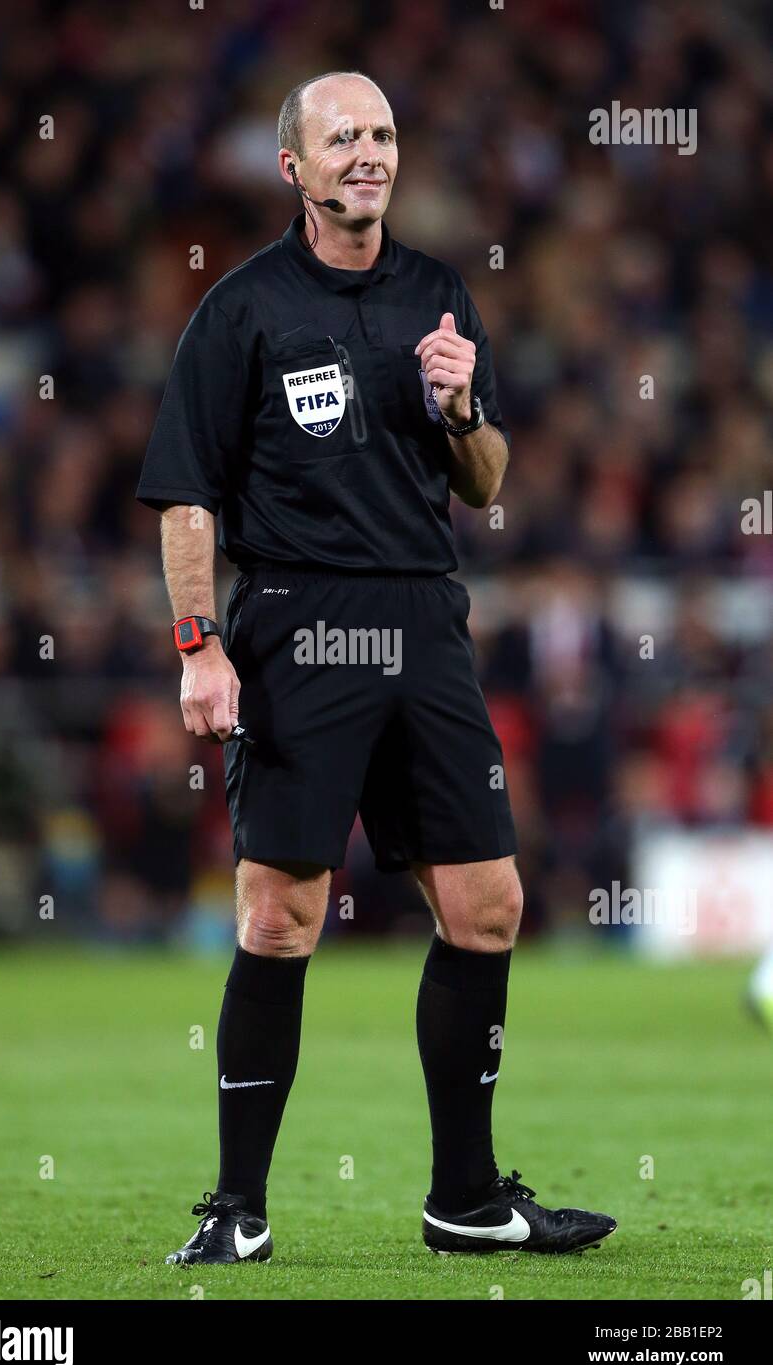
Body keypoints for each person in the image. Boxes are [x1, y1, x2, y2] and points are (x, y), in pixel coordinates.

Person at [137, 70, 616, 1263]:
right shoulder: (240, 310)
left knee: (488, 904)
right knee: (282, 913)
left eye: (384, 133)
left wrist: (461, 410)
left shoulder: (437, 292)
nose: (368, 151)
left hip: (423, 618)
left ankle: (464, 1199)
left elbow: (487, 481)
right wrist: (198, 648)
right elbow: (185, 496)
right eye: (340, 134)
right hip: (296, 621)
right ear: (292, 167)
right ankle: (237, 1208)